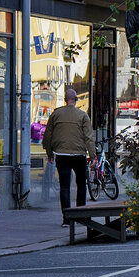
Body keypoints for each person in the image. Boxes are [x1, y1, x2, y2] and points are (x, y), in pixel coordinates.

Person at [42, 86, 96, 218]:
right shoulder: (82, 115)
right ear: (76, 100)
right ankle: (80, 214)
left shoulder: (56, 114)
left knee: (64, 186)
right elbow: (89, 137)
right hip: (79, 155)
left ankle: (66, 218)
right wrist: (93, 156)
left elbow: (48, 135)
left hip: (62, 155)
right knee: (81, 184)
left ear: (65, 100)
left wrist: (50, 153)